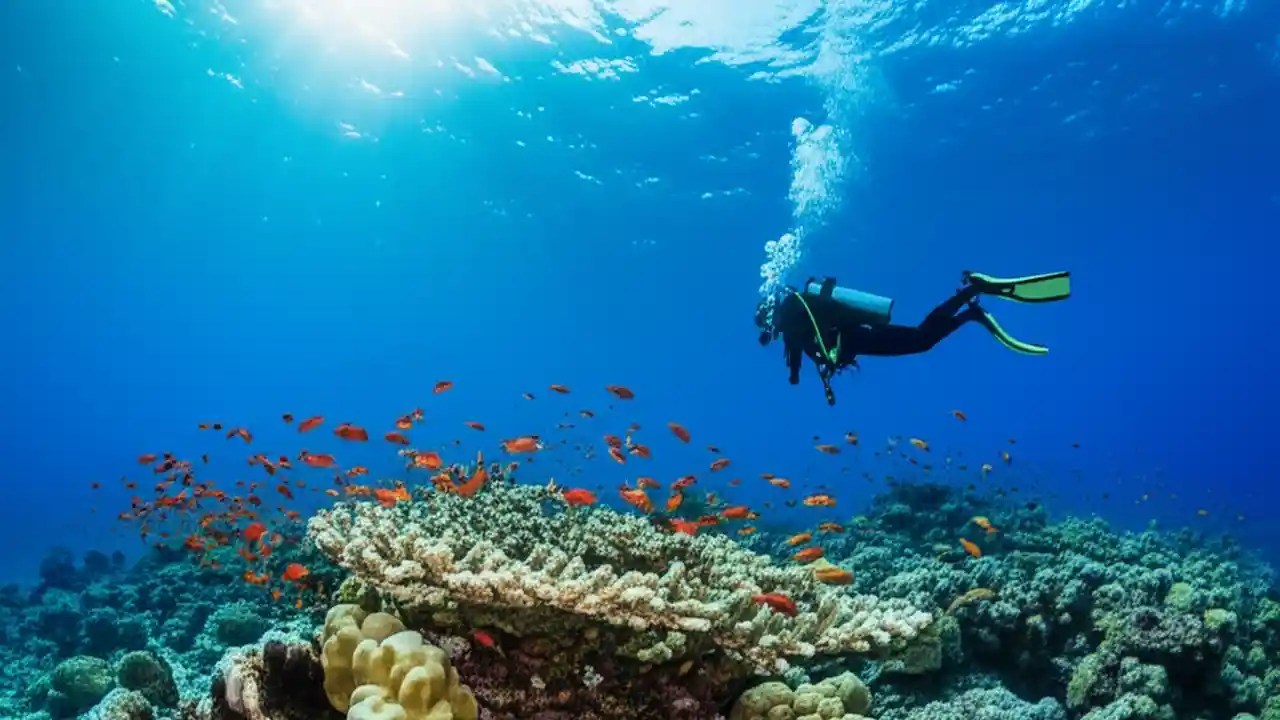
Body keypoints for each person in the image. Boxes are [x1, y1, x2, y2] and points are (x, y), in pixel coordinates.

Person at [755, 271, 1071, 405]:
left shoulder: (790, 313)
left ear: (769, 312)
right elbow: (798, 347)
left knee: (921, 338)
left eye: (764, 324)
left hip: (858, 337)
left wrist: (794, 377)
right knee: (921, 340)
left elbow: (795, 352)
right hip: (857, 340)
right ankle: (969, 309)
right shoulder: (793, 314)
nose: (767, 330)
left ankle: (971, 294)